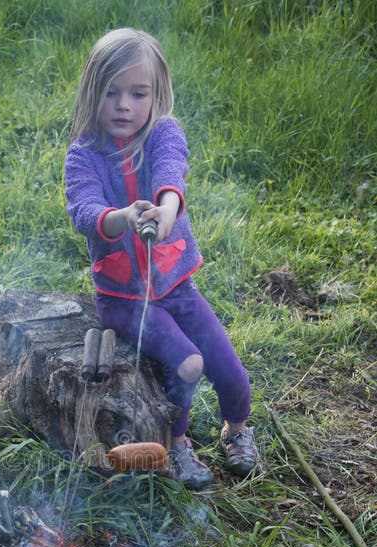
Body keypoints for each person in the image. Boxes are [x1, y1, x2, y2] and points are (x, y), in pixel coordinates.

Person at [64, 28, 258, 488]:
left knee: (230, 370)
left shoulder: (162, 134)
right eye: (111, 93)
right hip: (125, 301)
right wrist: (122, 218)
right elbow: (83, 210)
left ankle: (238, 429)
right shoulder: (83, 155)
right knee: (187, 363)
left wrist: (166, 208)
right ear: (93, 93)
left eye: (137, 93)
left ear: (156, 95)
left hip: (176, 287)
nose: (124, 105)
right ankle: (177, 445)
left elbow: (172, 171)